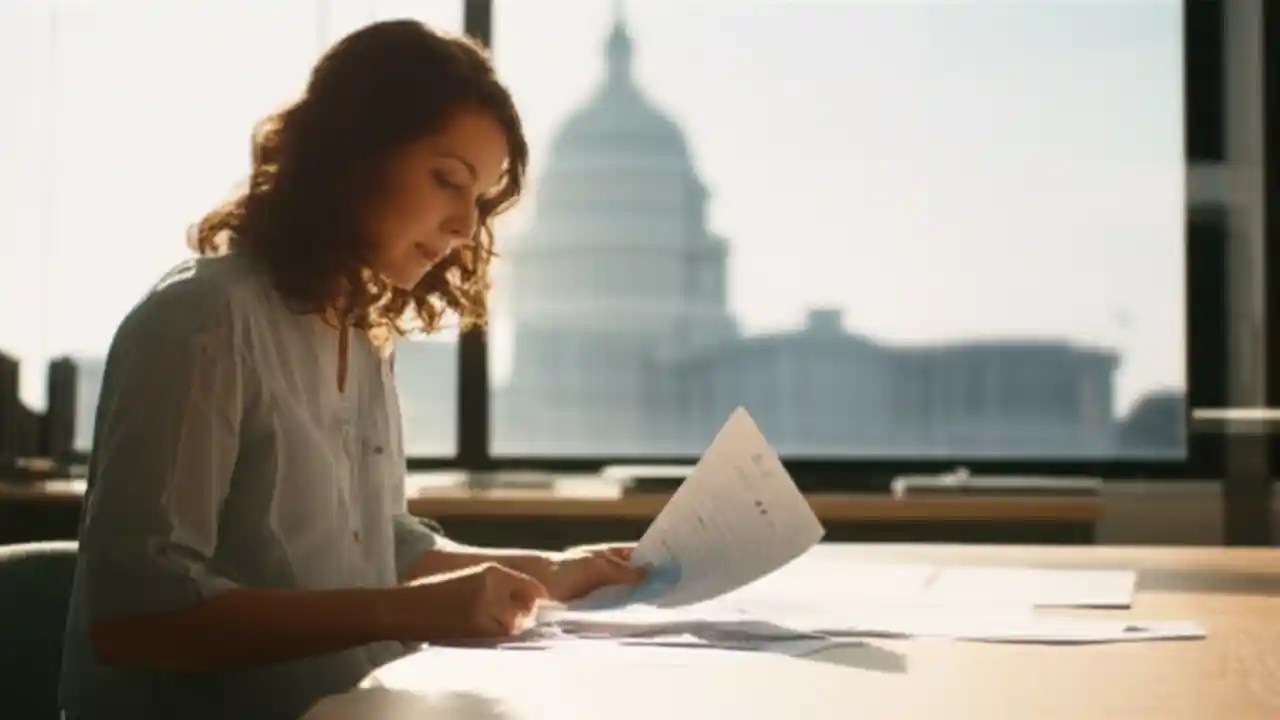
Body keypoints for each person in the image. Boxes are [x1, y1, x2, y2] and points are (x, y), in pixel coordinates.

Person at [58, 20, 644, 720]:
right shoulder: (203, 323)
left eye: (479, 202)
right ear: (354, 150)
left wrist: (546, 570)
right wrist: (401, 612)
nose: (464, 226)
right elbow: (138, 619)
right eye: (448, 181)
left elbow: (370, 544)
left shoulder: (363, 336)